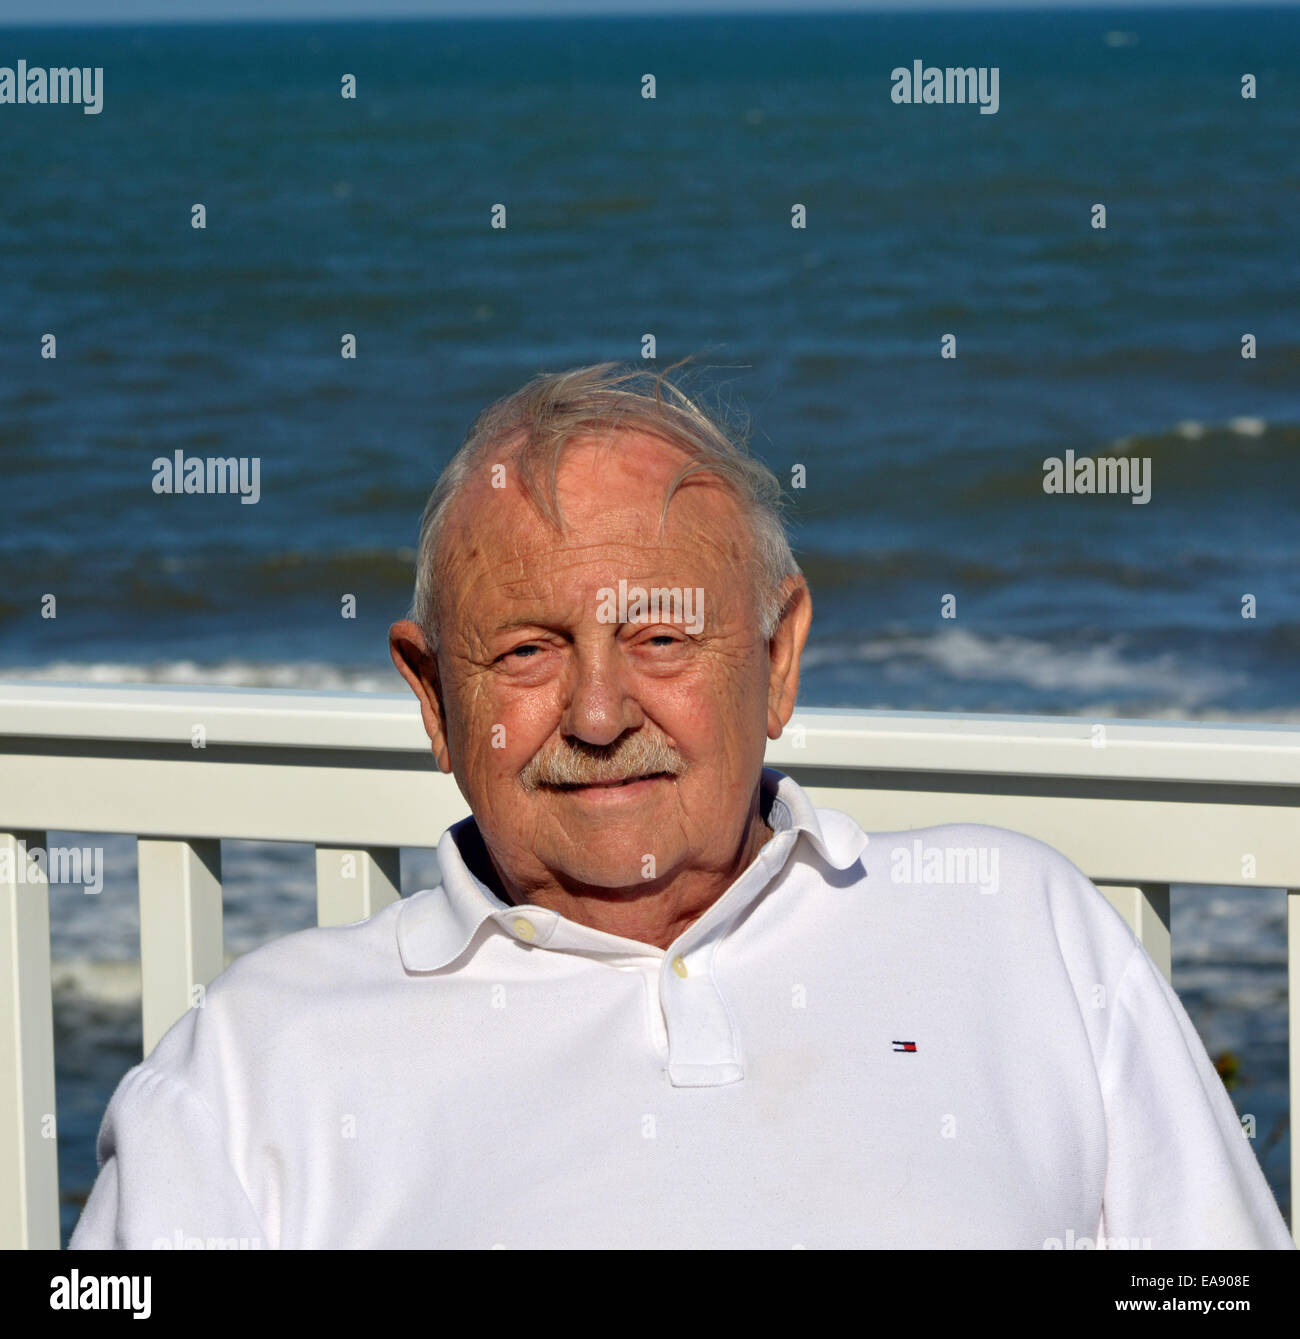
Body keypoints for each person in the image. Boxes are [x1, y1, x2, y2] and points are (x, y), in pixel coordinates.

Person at [70, 362, 1293, 1249]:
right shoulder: (252, 1067)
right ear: (434, 700)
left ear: (781, 656)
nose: (600, 717)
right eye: (530, 653)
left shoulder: (1020, 927)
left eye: (662, 636)